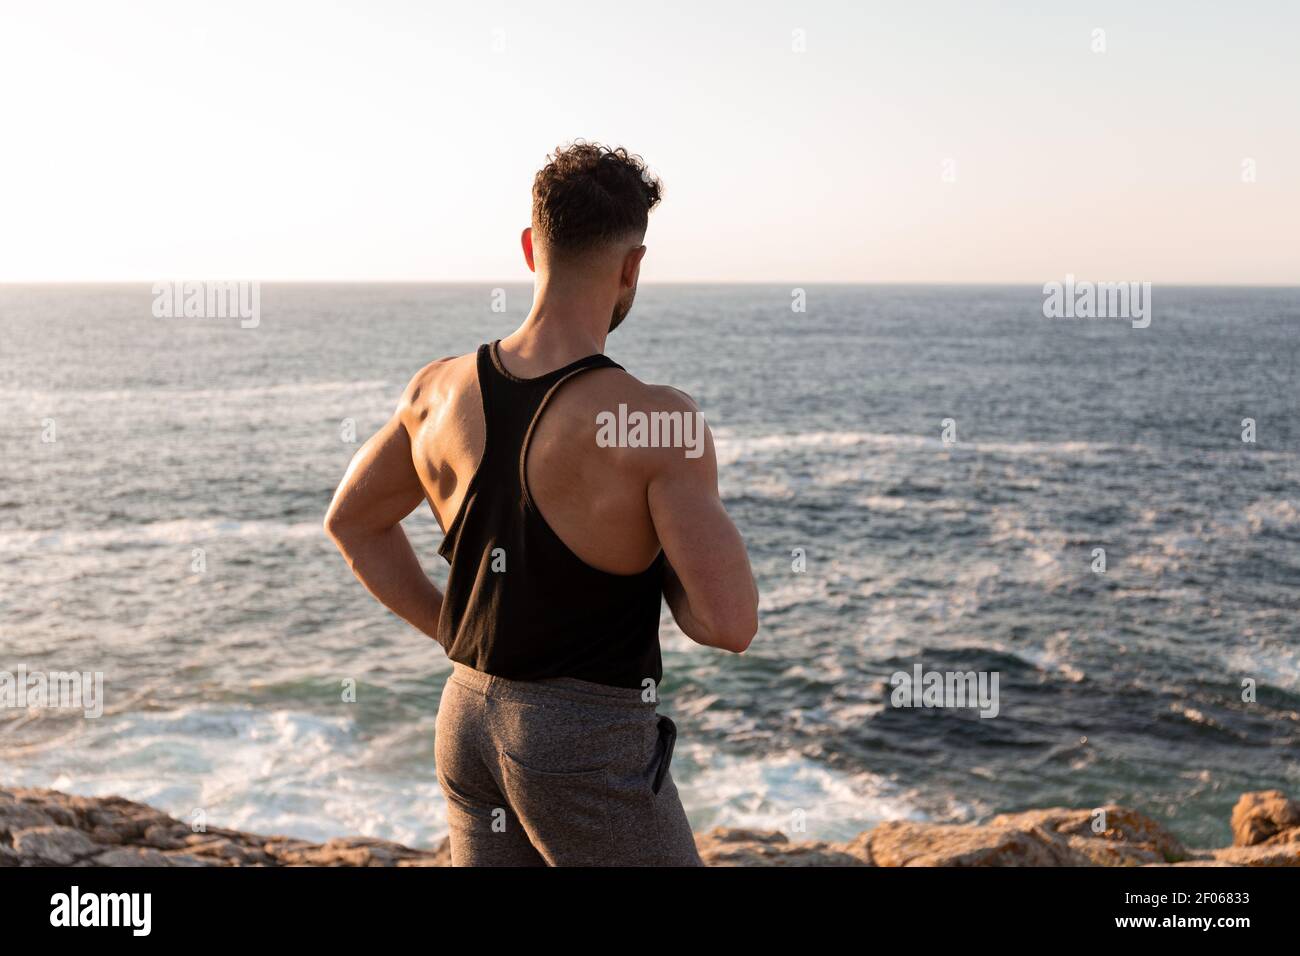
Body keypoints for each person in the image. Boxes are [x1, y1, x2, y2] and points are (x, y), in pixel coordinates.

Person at [325, 141, 758, 866]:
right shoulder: (658, 422)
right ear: (632, 267)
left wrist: (451, 631)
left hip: (466, 716)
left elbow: (353, 522)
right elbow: (728, 622)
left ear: (532, 248)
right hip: (582, 740)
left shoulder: (435, 389)